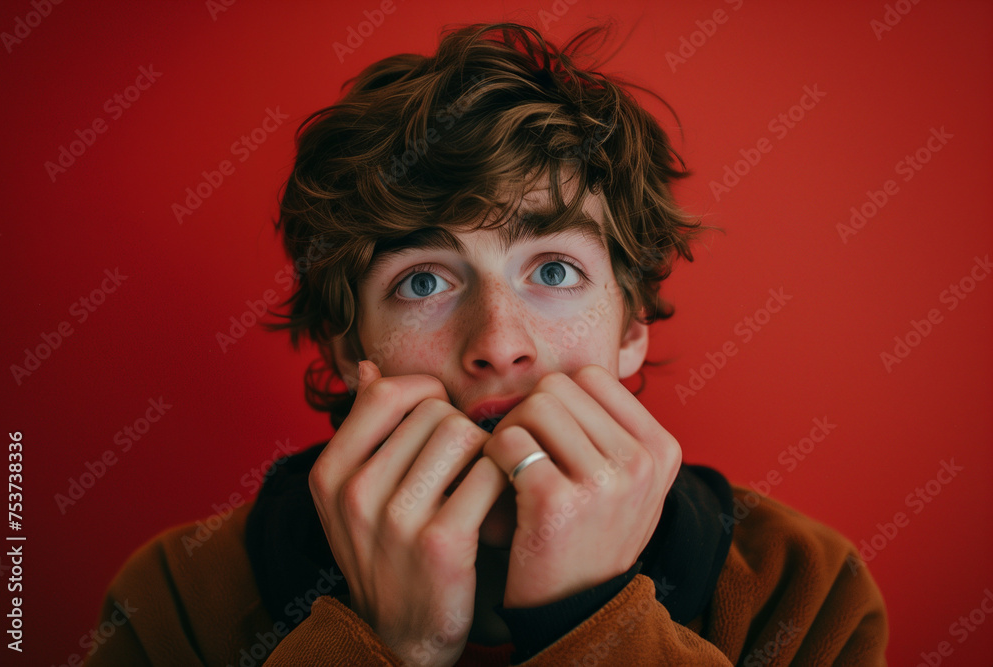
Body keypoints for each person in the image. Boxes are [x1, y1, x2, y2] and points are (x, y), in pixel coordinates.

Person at [85, 22, 888, 666]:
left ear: (633, 328)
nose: (500, 345)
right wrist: (388, 648)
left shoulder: (803, 587)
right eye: (424, 282)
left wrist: (591, 624)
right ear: (343, 349)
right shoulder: (177, 598)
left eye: (554, 269)